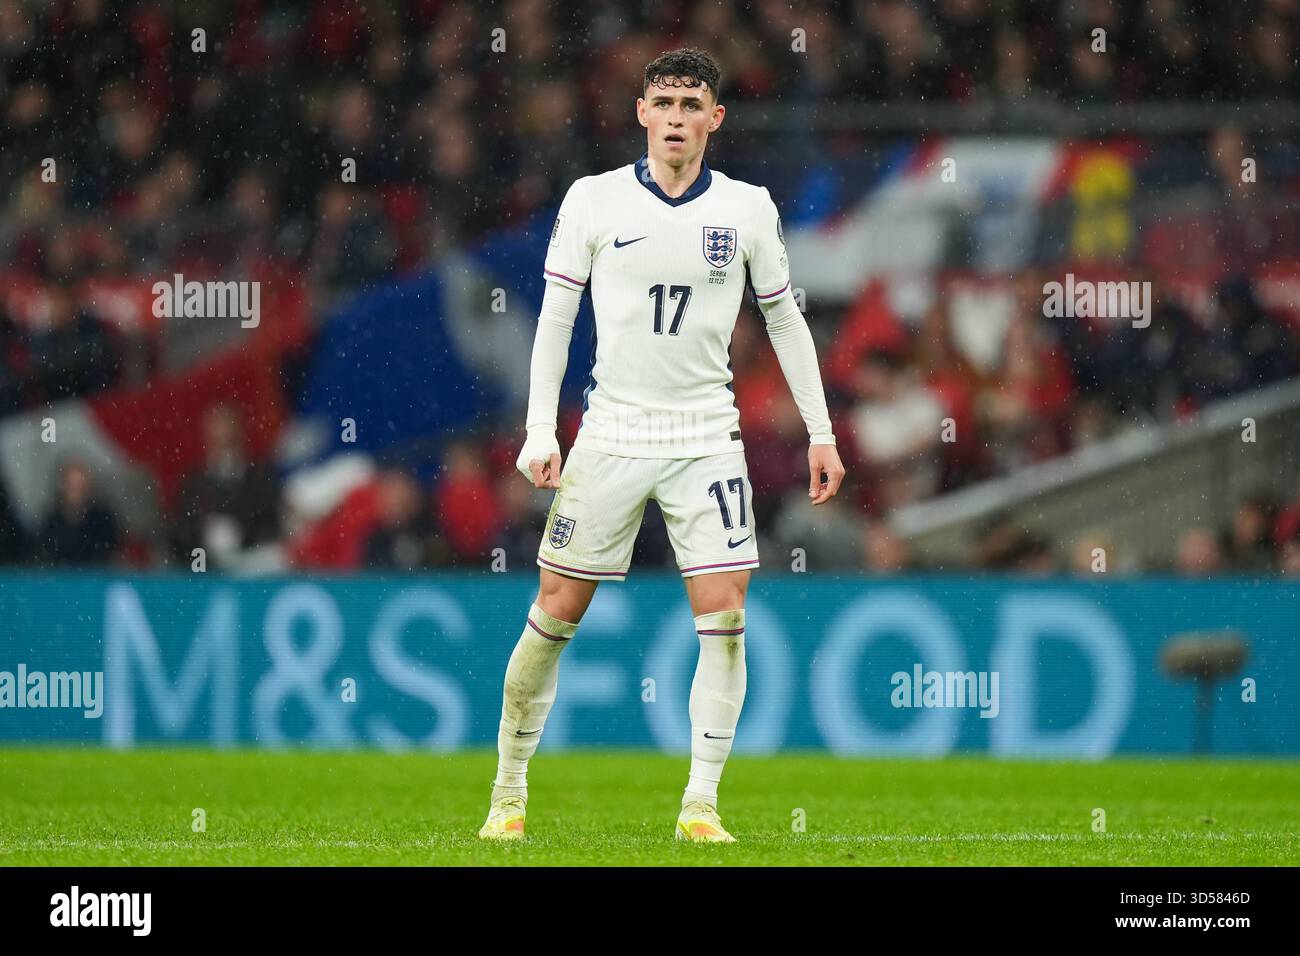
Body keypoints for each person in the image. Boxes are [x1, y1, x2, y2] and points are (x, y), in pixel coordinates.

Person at [478, 48, 844, 844]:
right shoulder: (594, 200)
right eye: (664, 103)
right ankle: (507, 792)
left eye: (692, 105)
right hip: (612, 430)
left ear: (716, 118)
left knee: (726, 612)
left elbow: (784, 319)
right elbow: (555, 319)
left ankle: (700, 808)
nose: (676, 118)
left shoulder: (748, 208)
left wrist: (821, 430)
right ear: (641, 112)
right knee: (555, 608)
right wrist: (542, 428)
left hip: (708, 433)